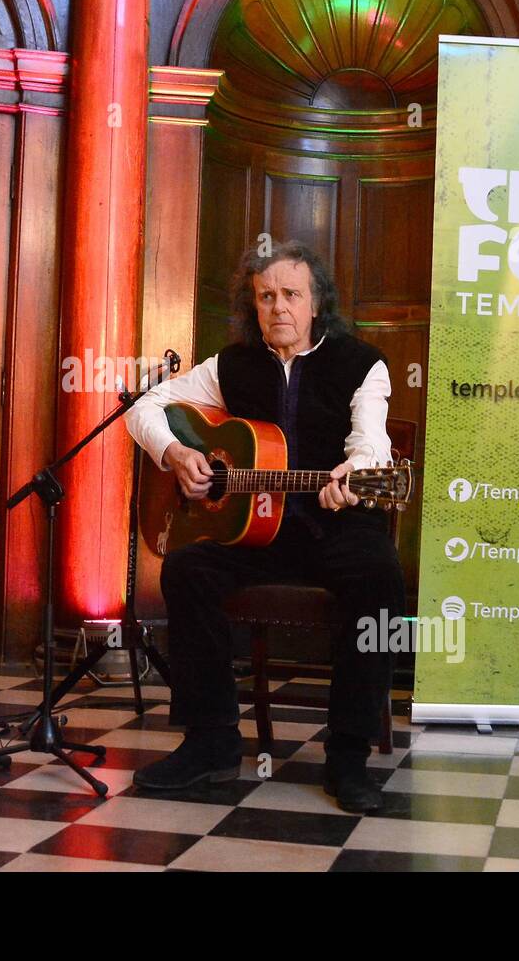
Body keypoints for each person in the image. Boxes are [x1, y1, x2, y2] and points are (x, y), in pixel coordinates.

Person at [125, 241, 404, 813]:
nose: (279, 308)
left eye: (291, 295)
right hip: (258, 532)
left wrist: (357, 472)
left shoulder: (361, 362)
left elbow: (372, 442)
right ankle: (211, 743)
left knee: (378, 578)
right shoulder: (230, 365)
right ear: (253, 306)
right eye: (266, 297)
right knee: (187, 567)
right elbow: (141, 407)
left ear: (317, 301)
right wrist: (176, 453)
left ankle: (348, 755)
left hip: (336, 527)